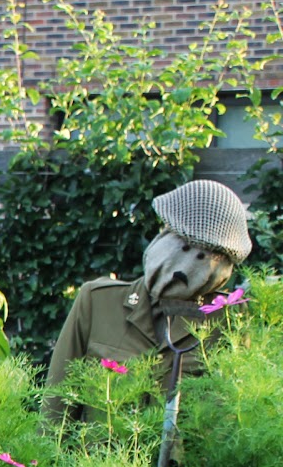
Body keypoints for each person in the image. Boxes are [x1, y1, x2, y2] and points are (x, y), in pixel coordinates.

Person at [42, 179, 251, 423]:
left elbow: (235, 420)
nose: (187, 268)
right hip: (101, 458)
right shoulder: (98, 302)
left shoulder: (228, 319)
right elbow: (55, 409)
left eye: (205, 256)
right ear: (163, 234)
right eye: (183, 247)